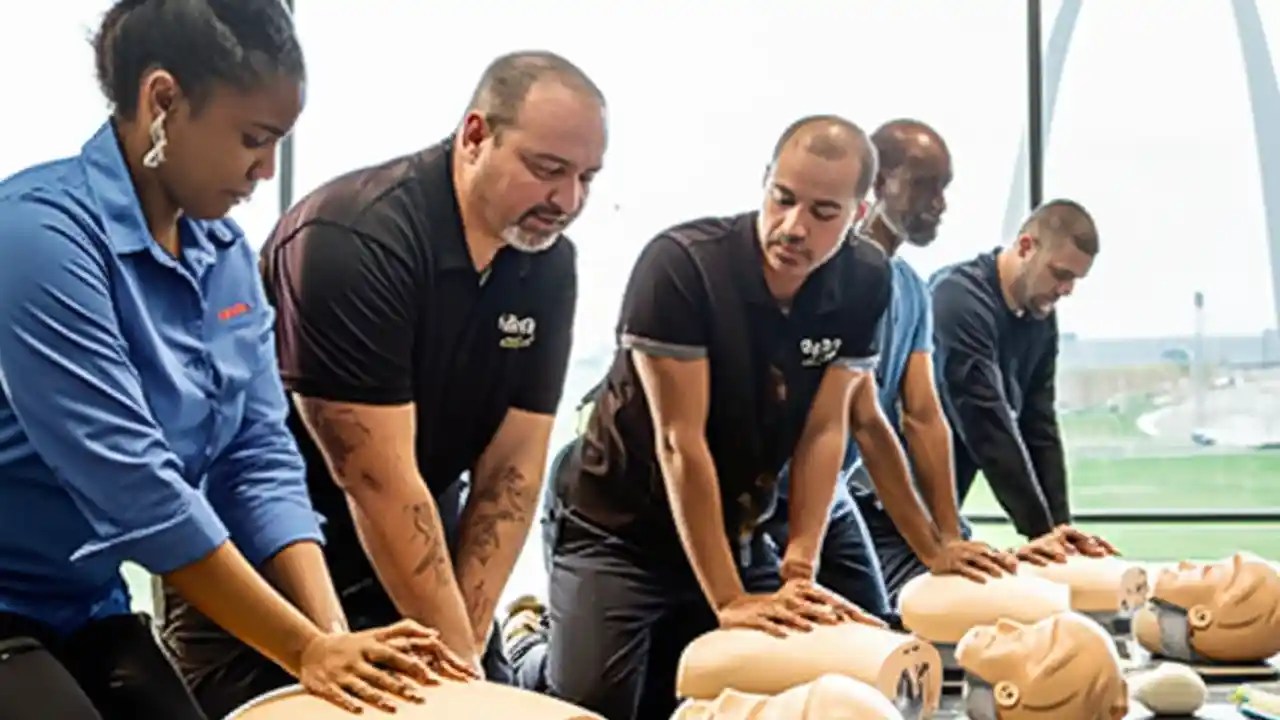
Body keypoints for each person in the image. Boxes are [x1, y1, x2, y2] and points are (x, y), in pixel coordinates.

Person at [0, 2, 468, 719]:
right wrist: (302, 653)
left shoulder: (222, 258)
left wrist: (330, 637)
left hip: (84, 602)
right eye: (253, 138)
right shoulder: (38, 237)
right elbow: (132, 484)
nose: (266, 168)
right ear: (163, 99)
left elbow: (255, 455)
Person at [159, 49, 607, 715]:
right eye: (546, 171)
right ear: (476, 136)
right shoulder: (354, 237)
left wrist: (467, 650)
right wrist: (459, 676)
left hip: (423, 554)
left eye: (586, 178)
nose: (566, 200)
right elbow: (375, 481)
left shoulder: (547, 264)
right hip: (270, 567)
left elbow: (511, 475)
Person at [513, 115, 893, 720]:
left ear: (860, 212)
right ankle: (531, 644)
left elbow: (825, 430)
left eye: (823, 212)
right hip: (618, 524)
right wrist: (729, 599)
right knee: (596, 707)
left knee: (750, 682)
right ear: (765, 181)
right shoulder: (682, 266)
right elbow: (678, 442)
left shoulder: (868, 281)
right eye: (783, 198)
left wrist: (798, 568)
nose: (793, 227)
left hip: (737, 525)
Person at [764, 120, 1015, 617]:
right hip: (770, 499)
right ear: (876, 188)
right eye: (924, 186)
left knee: (875, 633)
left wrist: (949, 536)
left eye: (944, 188)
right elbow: (865, 422)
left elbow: (922, 415)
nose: (938, 204)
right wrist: (931, 547)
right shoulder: (831, 282)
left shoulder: (911, 290)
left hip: (831, 497)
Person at [930, 199, 1118, 562]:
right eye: (1060, 274)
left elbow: (1038, 424)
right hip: (885, 509)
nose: (1067, 290)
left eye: (1075, 280)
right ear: (1026, 247)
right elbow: (987, 422)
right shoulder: (957, 299)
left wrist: (1061, 529)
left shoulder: (1039, 315)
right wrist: (1040, 530)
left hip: (940, 518)